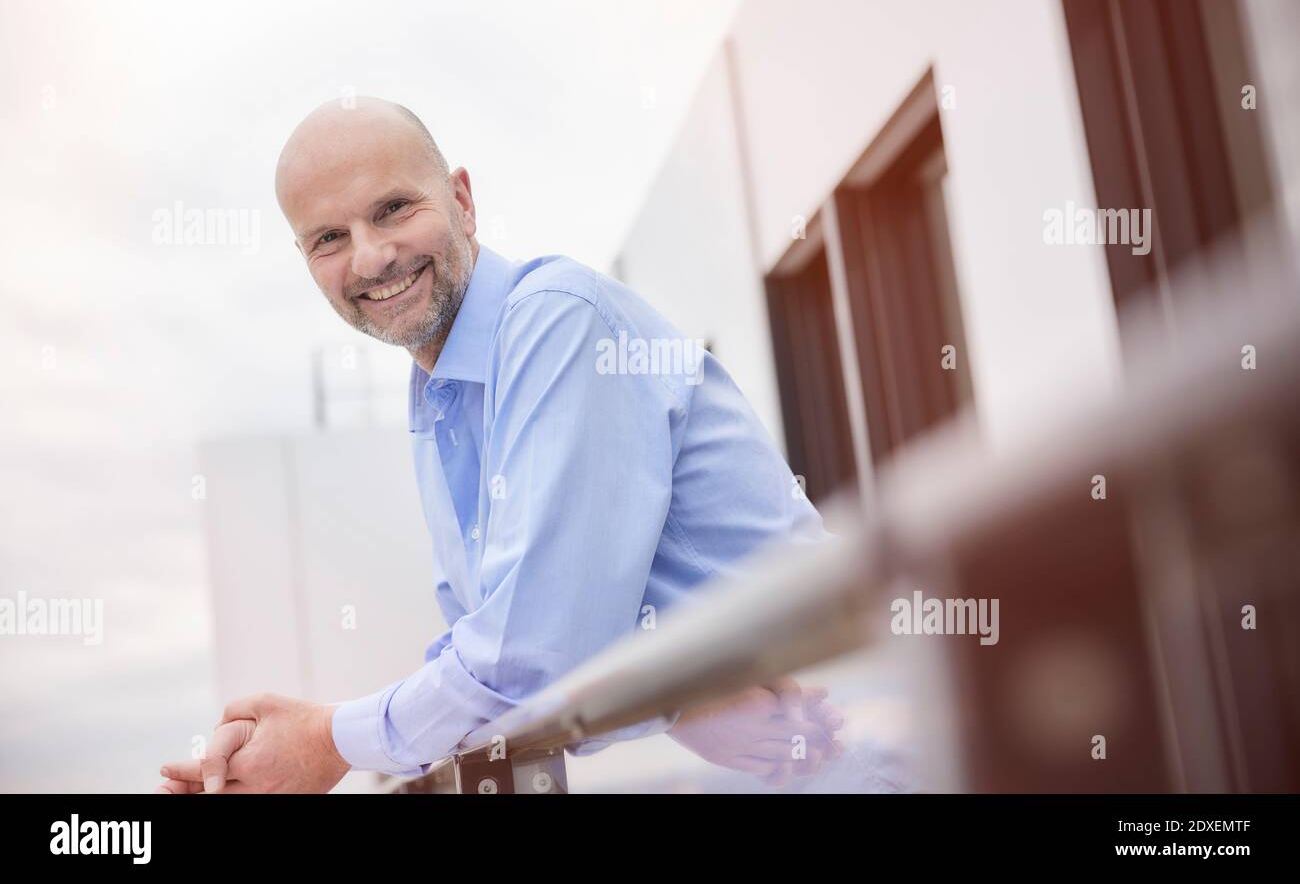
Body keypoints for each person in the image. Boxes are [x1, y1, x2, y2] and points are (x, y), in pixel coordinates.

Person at [157, 97, 842, 794]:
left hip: (860, 743)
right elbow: (489, 661)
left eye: (393, 208)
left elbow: (529, 658)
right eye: (329, 237)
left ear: (461, 199)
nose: (370, 255)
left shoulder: (559, 323)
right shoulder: (439, 400)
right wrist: (678, 700)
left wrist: (326, 738)